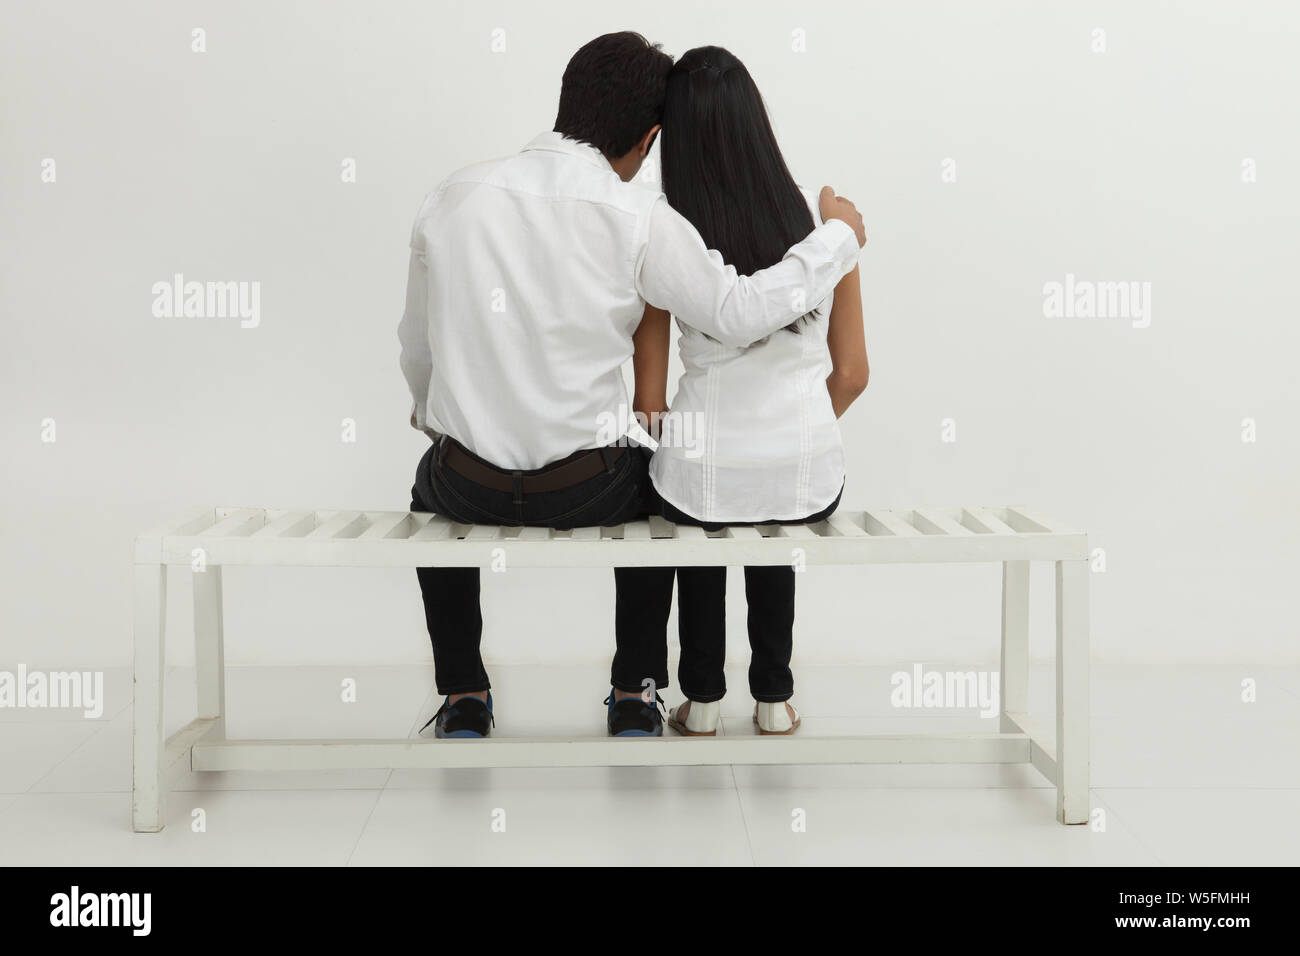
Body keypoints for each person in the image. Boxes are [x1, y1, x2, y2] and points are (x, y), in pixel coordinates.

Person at [398, 33, 866, 738]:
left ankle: (464, 694)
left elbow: (417, 346)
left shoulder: (453, 193)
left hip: (466, 480)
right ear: (649, 138)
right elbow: (738, 313)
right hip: (586, 485)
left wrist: (444, 427)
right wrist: (836, 239)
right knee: (658, 486)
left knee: (426, 493)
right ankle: (636, 692)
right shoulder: (640, 218)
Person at [630, 46, 870, 737]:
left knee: (701, 510)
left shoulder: (664, 230)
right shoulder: (827, 228)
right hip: (806, 472)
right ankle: (774, 696)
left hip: (701, 469)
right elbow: (851, 373)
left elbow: (650, 405)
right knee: (775, 517)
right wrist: (795, 427)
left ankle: (701, 700)